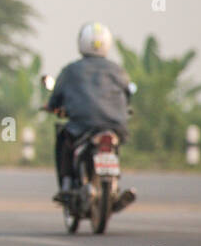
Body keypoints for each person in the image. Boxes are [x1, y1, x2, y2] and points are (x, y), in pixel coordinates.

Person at [46, 22, 137, 211]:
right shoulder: (117, 70)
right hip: (115, 125)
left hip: (82, 125)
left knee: (63, 138)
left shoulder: (71, 70)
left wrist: (52, 107)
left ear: (82, 42)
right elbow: (127, 95)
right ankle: (113, 187)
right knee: (114, 147)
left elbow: (56, 97)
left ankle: (66, 184)